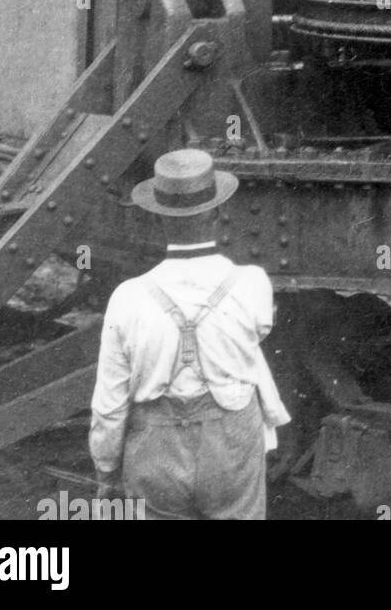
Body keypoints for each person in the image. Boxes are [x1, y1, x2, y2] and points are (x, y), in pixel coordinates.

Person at [90, 148, 290, 519]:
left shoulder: (127, 297)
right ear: (216, 213)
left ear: (158, 218)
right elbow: (259, 330)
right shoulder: (253, 283)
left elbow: (109, 404)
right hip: (231, 445)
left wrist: (106, 470)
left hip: (154, 450)